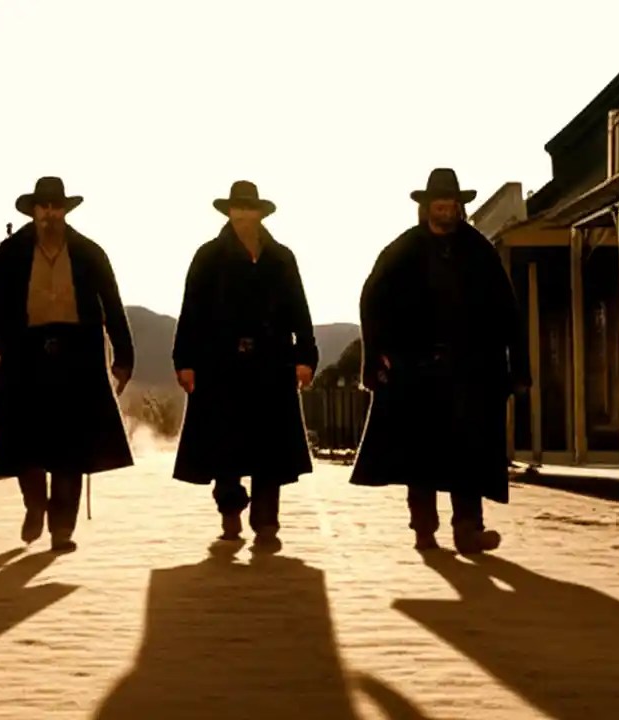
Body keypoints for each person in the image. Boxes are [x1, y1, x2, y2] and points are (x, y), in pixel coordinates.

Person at [351, 168, 530, 554]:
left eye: (451, 204)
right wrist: (377, 358)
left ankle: (468, 530)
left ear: (459, 207)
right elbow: (371, 300)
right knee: (420, 456)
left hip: (470, 369)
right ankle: (424, 529)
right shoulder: (403, 251)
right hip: (415, 370)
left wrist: (519, 369)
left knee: (469, 454)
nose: (446, 210)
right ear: (428, 207)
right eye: (439, 204)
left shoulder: (479, 251)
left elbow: (506, 311)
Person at [0, 176, 134, 554]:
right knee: (24, 446)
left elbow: (113, 305)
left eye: (55, 207)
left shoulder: (89, 253)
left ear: (64, 210)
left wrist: (124, 357)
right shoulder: (8, 254)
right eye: (43, 207)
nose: (49, 214)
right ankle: (34, 505)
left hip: (77, 356)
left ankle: (62, 529)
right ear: (33, 211)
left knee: (70, 450)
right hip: (23, 354)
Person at [172, 181, 318, 552]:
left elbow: (299, 310)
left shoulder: (281, 258)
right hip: (219, 364)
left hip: (272, 362)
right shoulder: (208, 257)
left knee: (270, 448)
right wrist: (184, 361)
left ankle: (266, 523)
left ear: (259, 214)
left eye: (248, 208)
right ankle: (230, 509)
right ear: (229, 212)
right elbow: (190, 312)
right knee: (224, 446)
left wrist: (306, 356)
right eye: (236, 208)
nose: (242, 215)